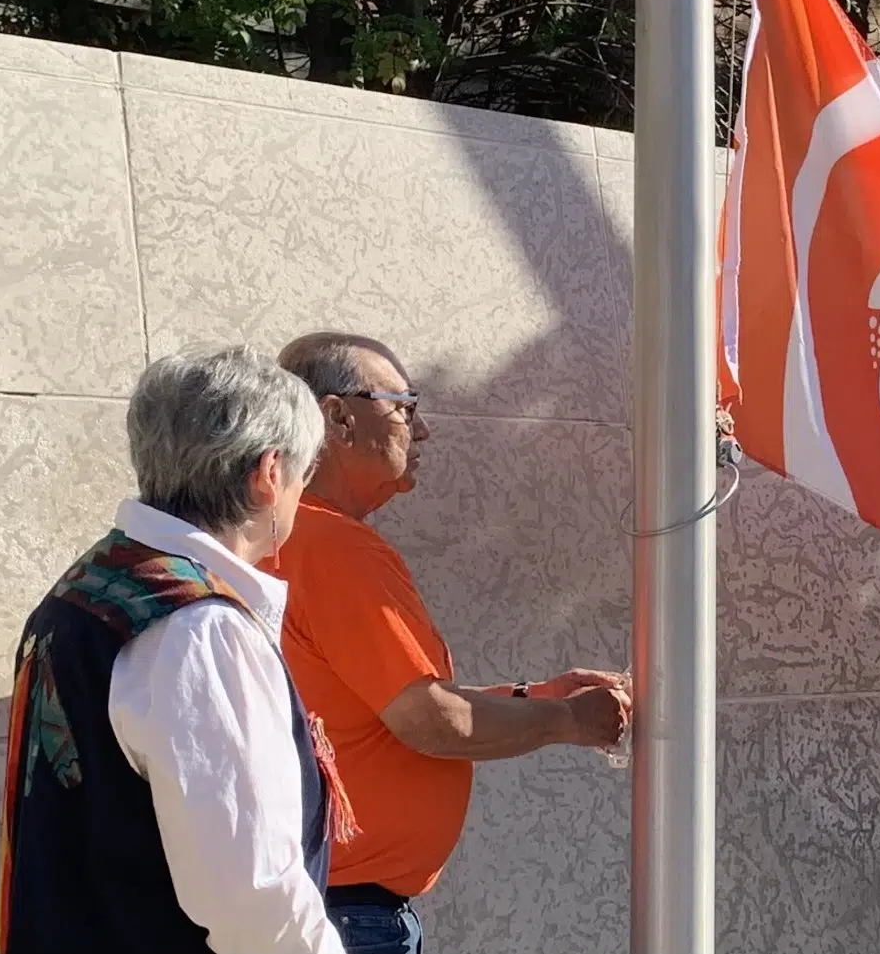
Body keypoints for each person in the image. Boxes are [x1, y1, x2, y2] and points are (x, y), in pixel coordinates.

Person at [265, 331, 632, 954]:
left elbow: (384, 713)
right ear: (338, 420)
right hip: (347, 915)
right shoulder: (334, 548)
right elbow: (429, 720)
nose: (424, 431)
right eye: (405, 408)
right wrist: (568, 719)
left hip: (331, 905)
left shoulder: (294, 537)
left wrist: (536, 693)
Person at [0, 345, 347, 954]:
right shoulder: (198, 625)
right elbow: (254, 900)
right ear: (268, 474)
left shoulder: (88, 587)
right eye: (302, 476)